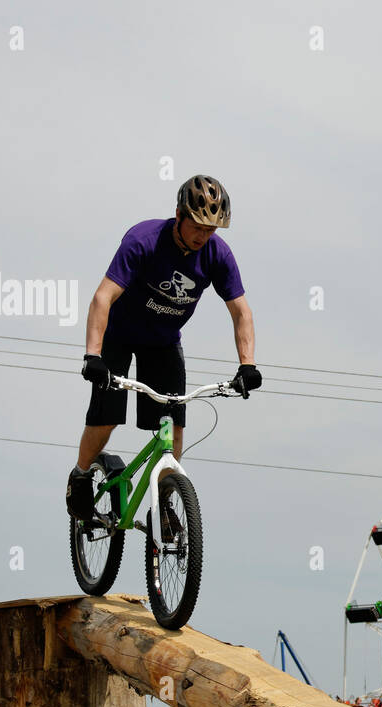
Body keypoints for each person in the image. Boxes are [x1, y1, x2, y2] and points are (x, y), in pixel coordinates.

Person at [66, 174, 263, 521]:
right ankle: (81, 475)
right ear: (178, 215)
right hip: (119, 335)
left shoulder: (217, 254)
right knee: (108, 417)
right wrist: (92, 356)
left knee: (170, 428)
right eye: (198, 226)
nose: (203, 235)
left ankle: (168, 501)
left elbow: (241, 311)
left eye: (211, 229)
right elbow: (103, 297)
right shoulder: (143, 240)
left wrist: (247, 364)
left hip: (163, 343)